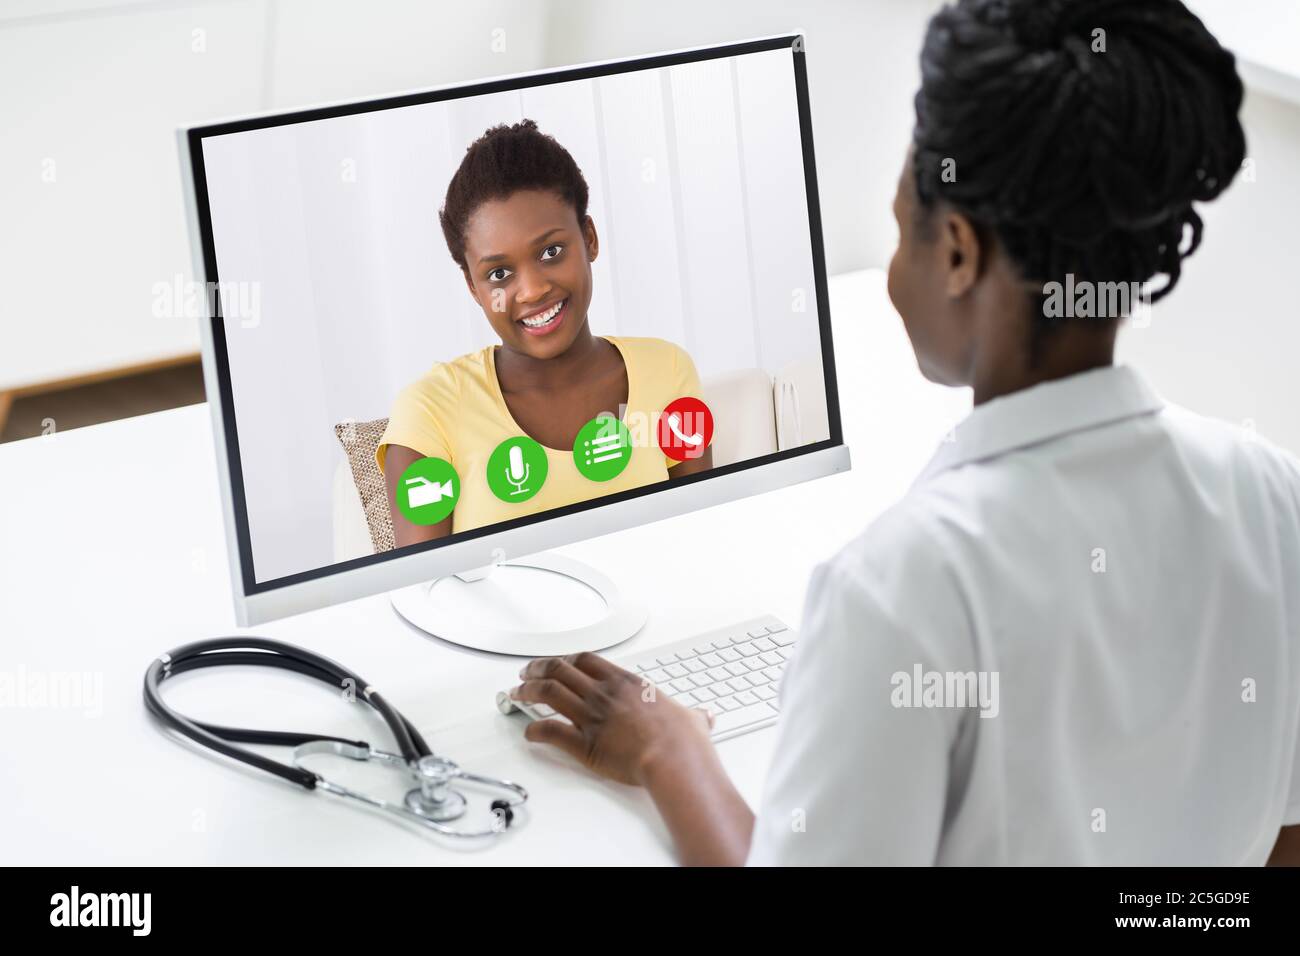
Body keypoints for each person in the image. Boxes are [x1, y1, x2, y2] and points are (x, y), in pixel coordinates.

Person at [507, 0, 1300, 865]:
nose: (891, 269)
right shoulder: (1271, 495)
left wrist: (670, 751)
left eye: (899, 231)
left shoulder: (902, 590)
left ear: (957, 251)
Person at [378, 120, 711, 544]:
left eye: (551, 252)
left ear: (589, 238)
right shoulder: (429, 413)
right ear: (473, 288)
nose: (533, 289)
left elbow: (702, 541)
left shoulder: (668, 370)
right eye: (499, 273)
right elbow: (425, 594)